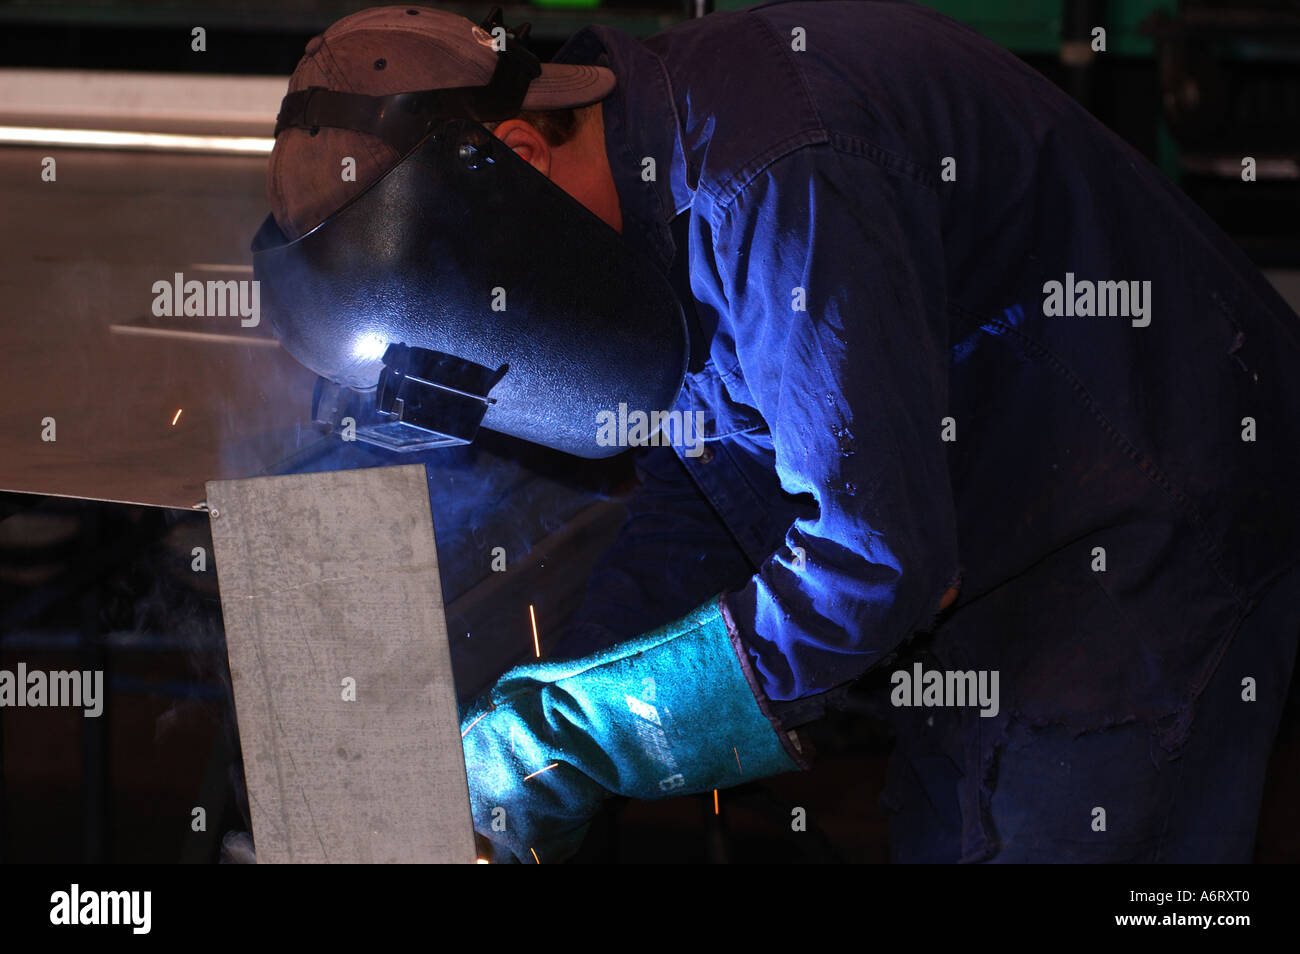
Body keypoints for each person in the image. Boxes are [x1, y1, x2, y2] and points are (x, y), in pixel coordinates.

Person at [262, 2, 1300, 863]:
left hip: (1149, 507)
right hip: (992, 514)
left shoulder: (770, 178)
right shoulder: (649, 199)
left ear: (521, 156)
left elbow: (873, 565)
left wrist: (574, 738)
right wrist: (550, 708)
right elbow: (706, 491)